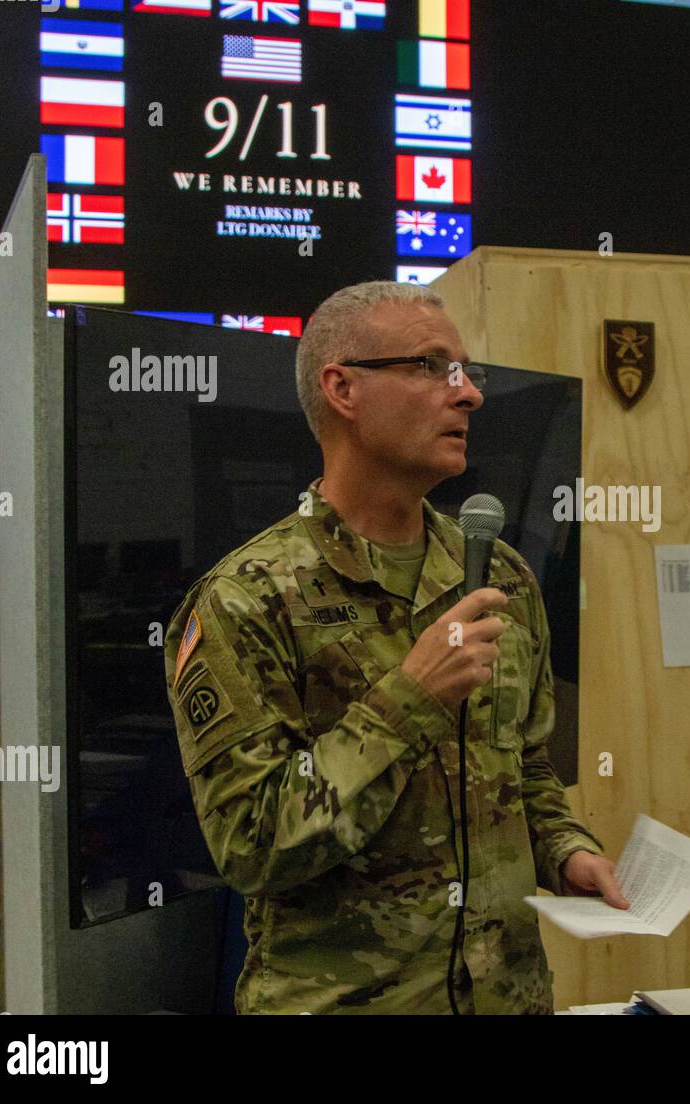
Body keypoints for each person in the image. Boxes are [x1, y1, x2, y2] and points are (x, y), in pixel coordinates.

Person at [164, 280, 626, 1014]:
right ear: (343, 388)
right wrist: (408, 700)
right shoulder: (247, 599)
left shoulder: (501, 573)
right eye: (430, 366)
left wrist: (565, 849)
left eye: (469, 372)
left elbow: (525, 765)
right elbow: (252, 846)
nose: (469, 394)